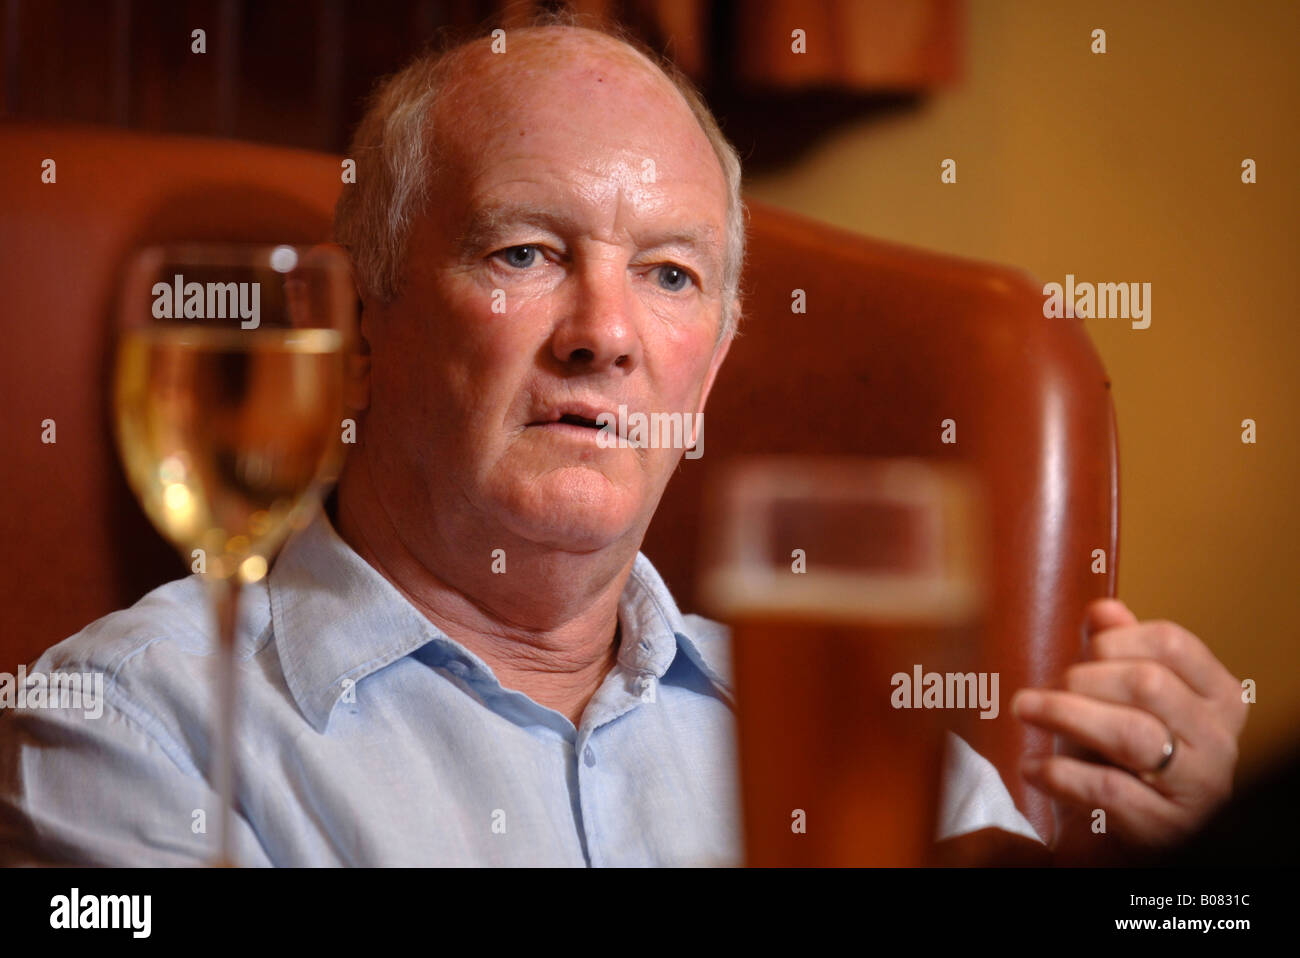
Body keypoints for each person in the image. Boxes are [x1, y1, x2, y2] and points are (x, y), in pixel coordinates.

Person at [0, 18, 1247, 866]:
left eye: (667, 273)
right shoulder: (128, 728)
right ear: (360, 325)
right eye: (525, 252)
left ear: (709, 366)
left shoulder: (867, 733)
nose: (606, 335)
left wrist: (1181, 877)